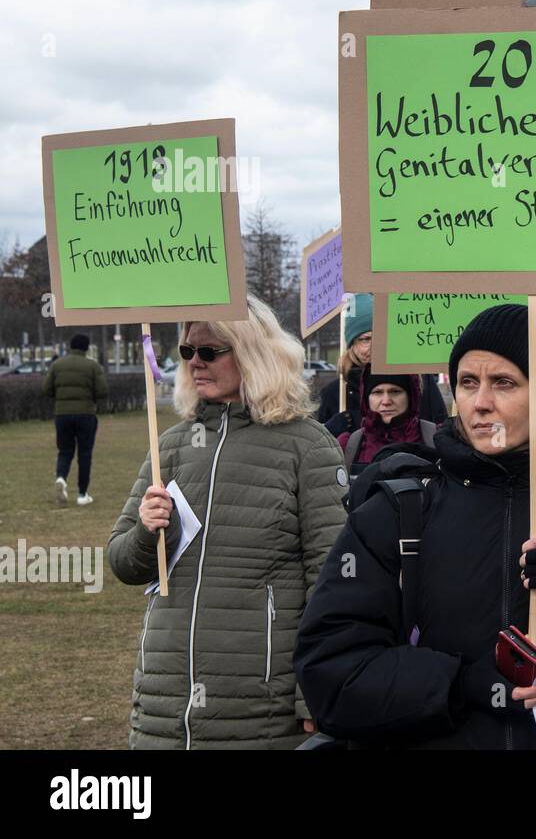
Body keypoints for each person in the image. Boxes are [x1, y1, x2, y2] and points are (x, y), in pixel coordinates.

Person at [295, 304, 536, 749]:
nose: (480, 402)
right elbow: (329, 672)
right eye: (467, 382)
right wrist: (458, 685)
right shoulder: (397, 512)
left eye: (504, 382)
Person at [108, 296, 348, 749]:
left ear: (252, 353)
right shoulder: (172, 445)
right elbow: (122, 562)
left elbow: (331, 581)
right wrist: (145, 531)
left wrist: (313, 694)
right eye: (186, 352)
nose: (194, 362)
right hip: (165, 703)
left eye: (209, 351)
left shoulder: (307, 446)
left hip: (260, 708)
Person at [43, 333, 107, 506]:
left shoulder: (57, 365)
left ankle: (62, 478)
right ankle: (82, 494)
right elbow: (102, 391)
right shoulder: (92, 366)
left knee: (64, 451)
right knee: (84, 454)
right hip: (86, 414)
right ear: (86, 348)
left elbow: (46, 389)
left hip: (62, 415)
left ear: (70, 346)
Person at [338, 370, 437, 478]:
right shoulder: (347, 446)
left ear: (410, 397)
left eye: (395, 391)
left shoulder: (436, 439)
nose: (386, 401)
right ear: (366, 399)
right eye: (377, 392)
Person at [318, 294, 373, 435]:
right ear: (352, 345)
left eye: (380, 336)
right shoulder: (334, 393)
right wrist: (328, 432)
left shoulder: (417, 384)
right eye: (365, 339)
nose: (374, 345)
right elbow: (316, 451)